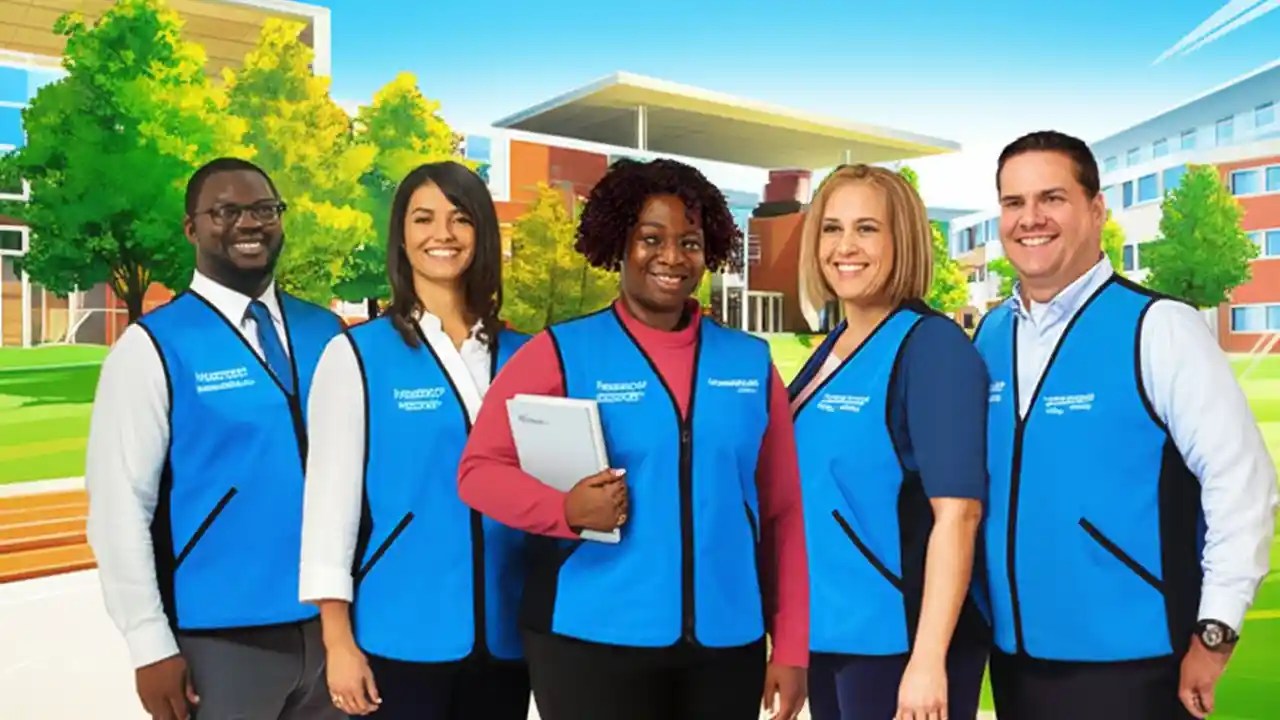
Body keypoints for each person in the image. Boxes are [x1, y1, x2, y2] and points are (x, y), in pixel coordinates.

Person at [456, 157, 810, 720]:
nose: (672, 257)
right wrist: (564, 510)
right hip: (589, 640)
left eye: (690, 242)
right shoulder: (559, 353)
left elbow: (783, 514)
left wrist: (790, 646)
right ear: (618, 243)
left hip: (725, 644)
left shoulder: (750, 363)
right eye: (651, 238)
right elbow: (478, 472)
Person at [974, 130, 1279, 720]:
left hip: (1133, 665)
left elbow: (1241, 483)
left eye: (1051, 198)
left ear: (1095, 209)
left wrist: (1215, 633)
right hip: (1014, 660)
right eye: (1013, 203)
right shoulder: (989, 336)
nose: (1030, 219)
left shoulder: (1161, 328)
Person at [85, 157, 346, 720]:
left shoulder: (326, 332)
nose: (250, 224)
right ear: (192, 227)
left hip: (335, 627)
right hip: (219, 635)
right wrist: (148, 643)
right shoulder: (152, 347)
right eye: (227, 211)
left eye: (265, 210)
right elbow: (118, 507)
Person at [297, 161, 532, 719]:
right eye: (423, 218)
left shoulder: (528, 356)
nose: (442, 235)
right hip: (398, 635)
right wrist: (337, 642)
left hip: (508, 636)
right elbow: (329, 509)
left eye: (460, 219)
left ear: (483, 234)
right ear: (401, 236)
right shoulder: (357, 355)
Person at [789, 164, 990, 720]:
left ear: (902, 239)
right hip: (832, 631)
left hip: (899, 643)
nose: (845, 247)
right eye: (832, 229)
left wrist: (928, 660)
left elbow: (959, 516)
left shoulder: (932, 349)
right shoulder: (836, 346)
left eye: (867, 229)